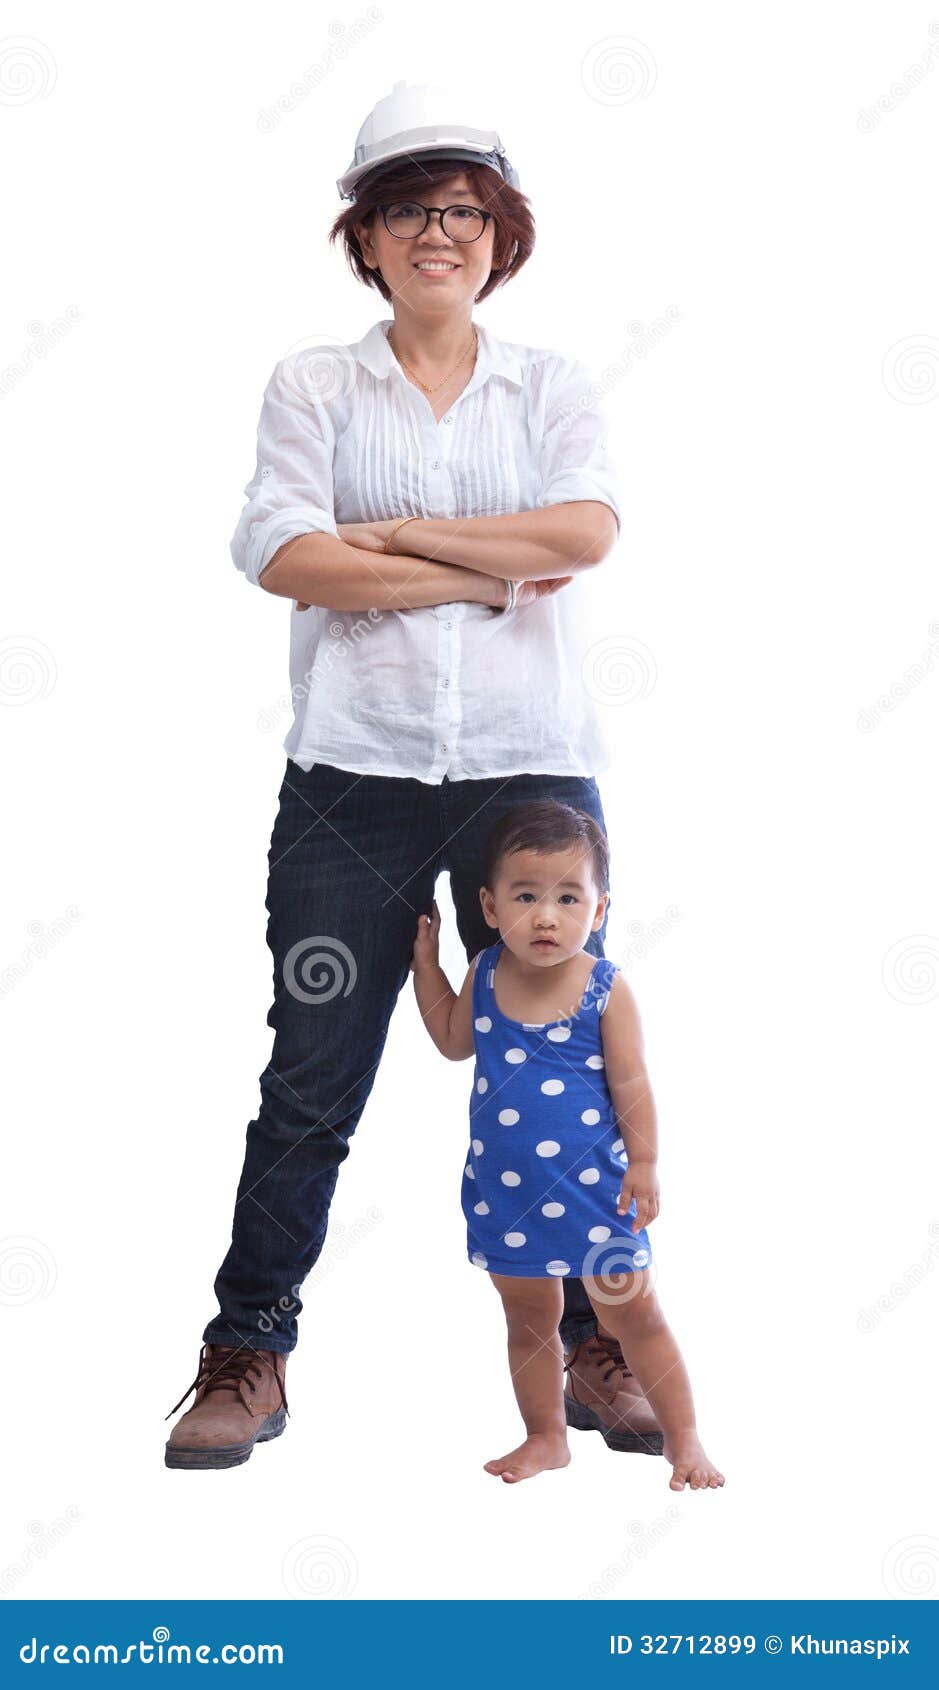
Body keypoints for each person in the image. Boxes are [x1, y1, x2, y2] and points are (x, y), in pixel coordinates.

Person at [165, 80, 662, 1468]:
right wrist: (492, 563)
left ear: (496, 235)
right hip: (352, 781)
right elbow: (282, 555)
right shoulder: (312, 385)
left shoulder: (550, 384)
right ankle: (248, 1349)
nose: (435, 232)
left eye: (460, 210)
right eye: (406, 211)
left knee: (554, 1062)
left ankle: (595, 1345)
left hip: (530, 776)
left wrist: (398, 535)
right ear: (366, 238)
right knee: (313, 1073)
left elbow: (584, 531)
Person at [411, 799, 724, 1490]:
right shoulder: (487, 973)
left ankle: (685, 1440)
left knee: (634, 1314)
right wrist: (426, 967)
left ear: (600, 908)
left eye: (566, 897)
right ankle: (545, 1436)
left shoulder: (605, 990)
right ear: (490, 907)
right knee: (528, 1321)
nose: (545, 915)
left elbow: (632, 1082)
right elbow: (453, 1042)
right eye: (526, 896)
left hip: (595, 1197)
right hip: (506, 1196)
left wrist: (643, 1163)